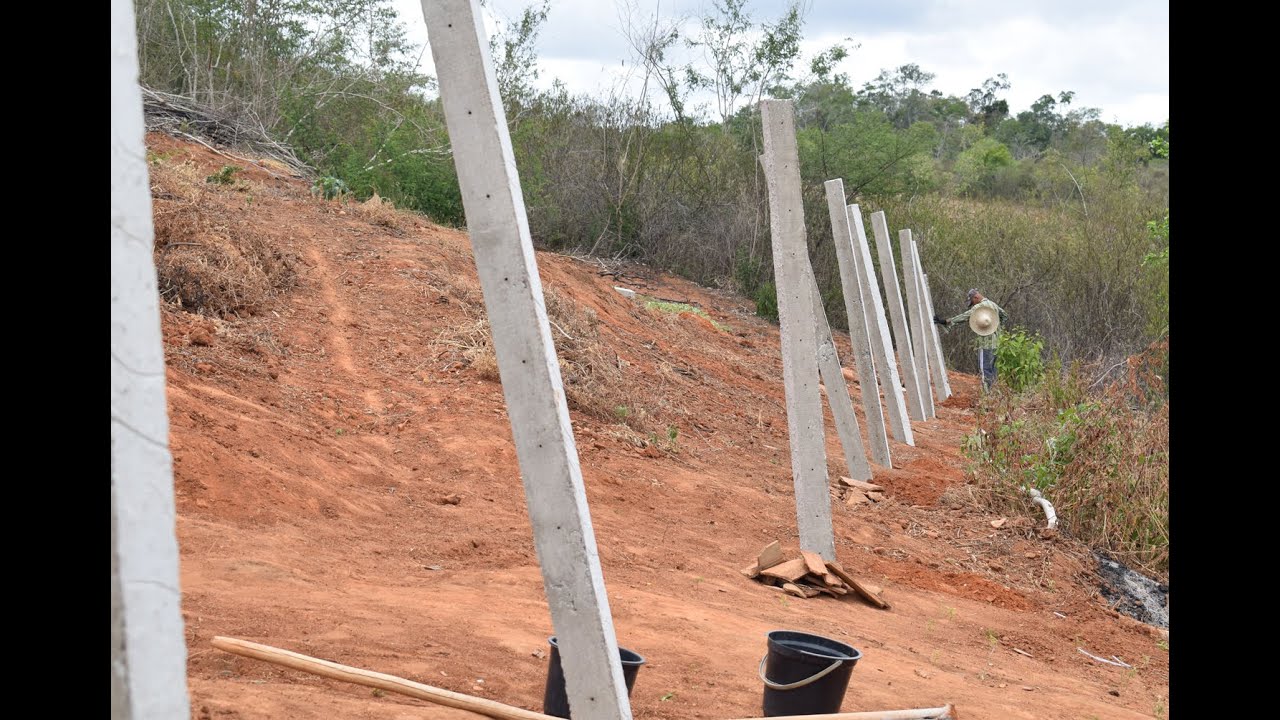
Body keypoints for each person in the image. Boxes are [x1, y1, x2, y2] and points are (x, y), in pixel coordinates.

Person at [934, 289, 1008, 390]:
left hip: (985, 344)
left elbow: (964, 316)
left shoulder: (978, 307)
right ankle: (995, 394)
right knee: (993, 370)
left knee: (985, 370)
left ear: (976, 297)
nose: (972, 305)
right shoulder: (993, 305)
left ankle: (987, 396)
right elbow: (1004, 316)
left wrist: (946, 321)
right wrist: (996, 327)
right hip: (997, 344)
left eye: (972, 302)